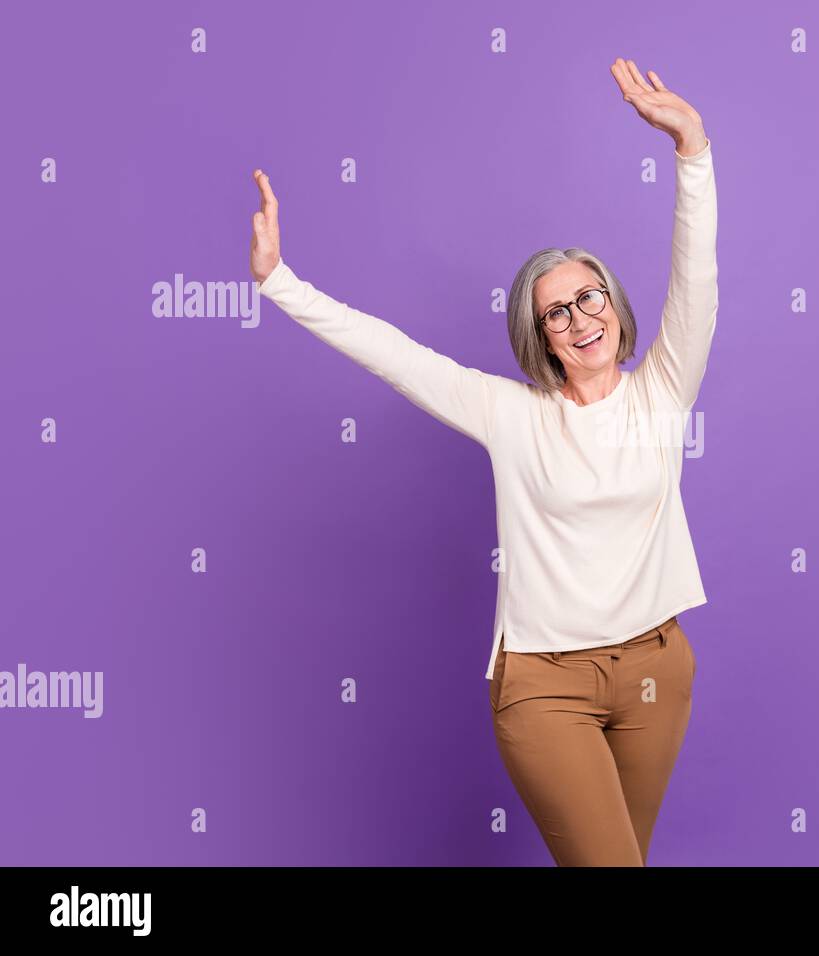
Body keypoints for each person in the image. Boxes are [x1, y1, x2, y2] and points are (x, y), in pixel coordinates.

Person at [249, 57, 717, 866]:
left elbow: (697, 278)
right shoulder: (511, 414)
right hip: (545, 687)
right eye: (555, 312)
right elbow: (397, 355)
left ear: (615, 302)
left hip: (655, 674)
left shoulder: (663, 393)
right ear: (539, 339)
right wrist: (280, 282)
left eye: (589, 296)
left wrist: (693, 151)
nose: (578, 318)